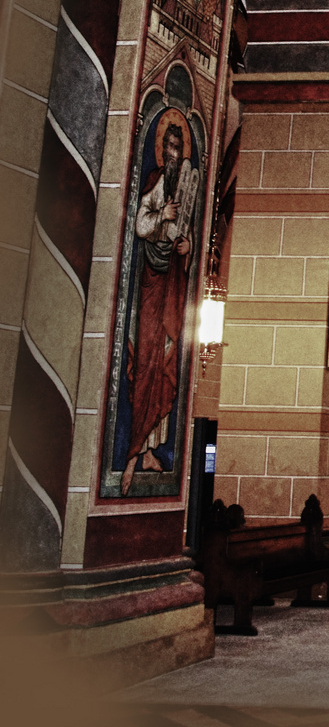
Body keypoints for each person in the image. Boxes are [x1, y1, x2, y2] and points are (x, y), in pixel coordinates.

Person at [122, 112, 199, 495]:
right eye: (169, 147)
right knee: (148, 357)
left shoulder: (184, 186)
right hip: (151, 285)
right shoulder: (155, 183)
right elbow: (140, 224)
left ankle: (150, 448)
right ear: (160, 151)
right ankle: (134, 449)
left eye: (179, 148)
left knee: (167, 357)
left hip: (171, 285)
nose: (174, 154)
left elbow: (189, 236)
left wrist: (188, 247)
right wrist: (161, 217)